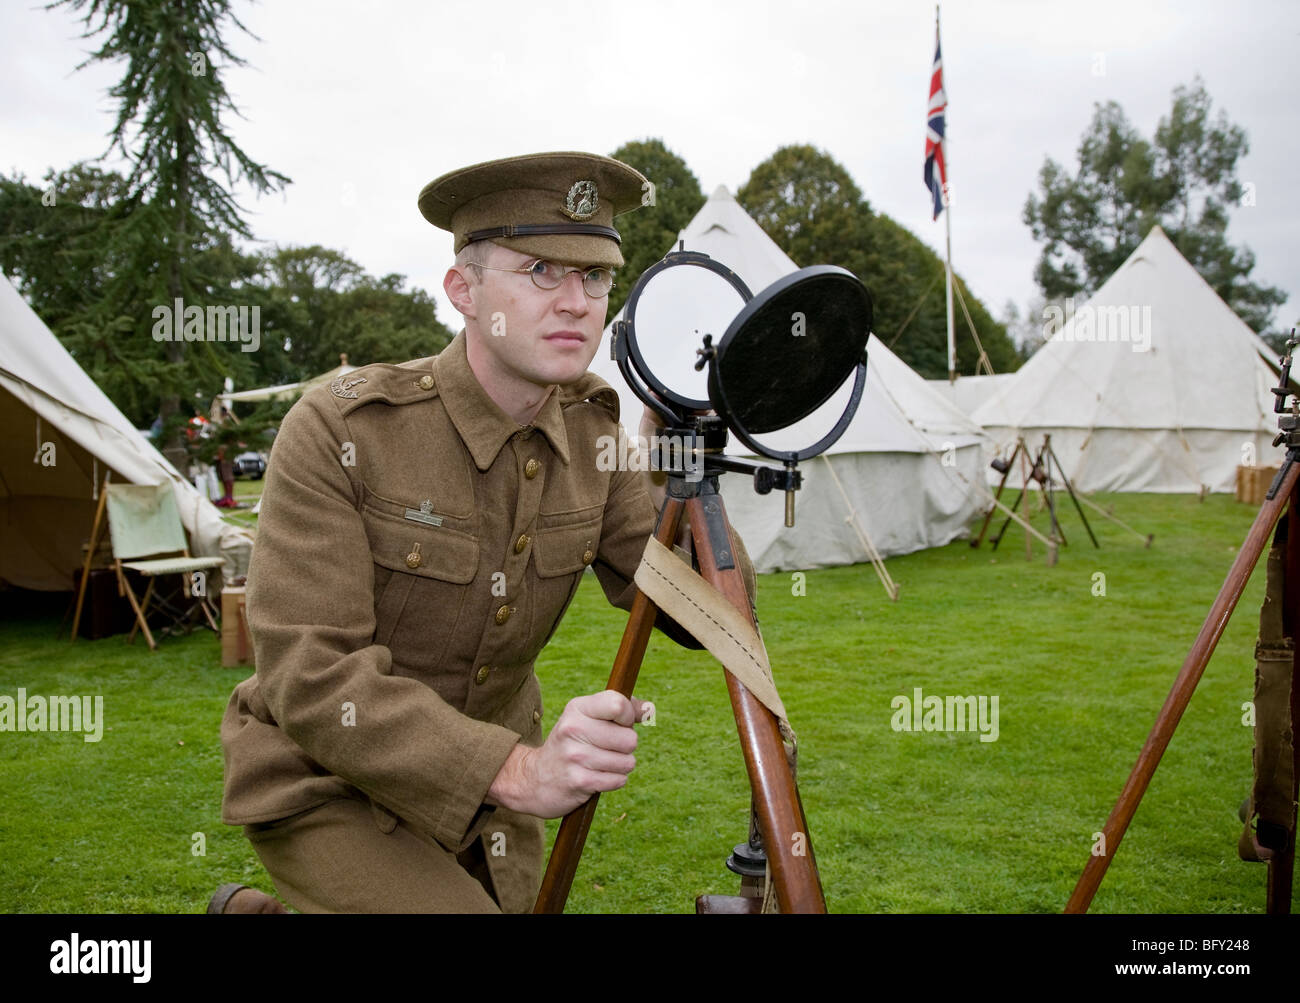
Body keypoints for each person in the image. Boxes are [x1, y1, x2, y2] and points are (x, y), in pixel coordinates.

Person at [218, 152, 752, 914]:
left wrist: (685, 460)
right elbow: (311, 674)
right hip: (327, 776)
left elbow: (708, 616)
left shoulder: (597, 438)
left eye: (595, 277)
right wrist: (521, 772)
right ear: (463, 291)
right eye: (541, 270)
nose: (576, 302)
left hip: (491, 798)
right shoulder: (343, 427)